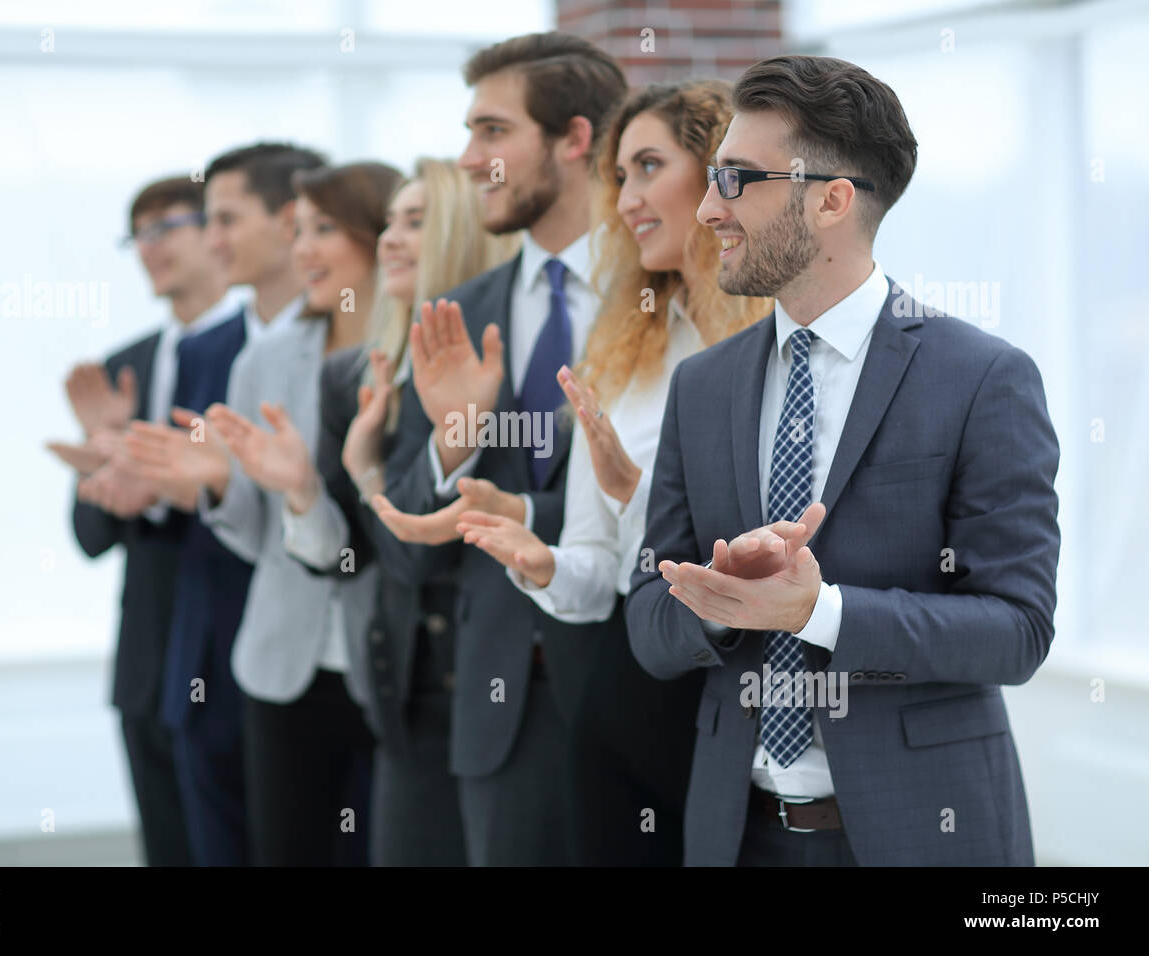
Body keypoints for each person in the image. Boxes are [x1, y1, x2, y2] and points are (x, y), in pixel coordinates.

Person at [625, 54, 1060, 866]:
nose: (711, 210)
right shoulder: (703, 386)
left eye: (736, 179)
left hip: (921, 834)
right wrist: (721, 601)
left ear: (831, 199)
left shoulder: (982, 378)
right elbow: (649, 622)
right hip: (733, 835)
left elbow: (1018, 631)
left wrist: (816, 611)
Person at [454, 81, 771, 865]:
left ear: (720, 172)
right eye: (619, 176)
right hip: (620, 704)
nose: (627, 199)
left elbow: (772, 548)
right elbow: (599, 576)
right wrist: (543, 564)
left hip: (729, 703)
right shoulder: (627, 351)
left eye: (650, 166)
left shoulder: (779, 345)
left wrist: (638, 498)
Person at [209, 159, 516, 865]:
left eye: (414, 223)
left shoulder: (499, 363)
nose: (392, 241)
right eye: (392, 224)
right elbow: (357, 547)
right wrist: (307, 486)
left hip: (450, 680)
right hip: (365, 672)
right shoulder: (351, 377)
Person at [369, 31, 627, 866]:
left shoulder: (665, 298)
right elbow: (406, 549)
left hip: (649, 696)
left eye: (492, 131)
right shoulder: (455, 313)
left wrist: (526, 514)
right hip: (497, 706)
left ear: (575, 139)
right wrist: (456, 443)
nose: (470, 157)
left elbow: (686, 506)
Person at [189, 161, 403, 865]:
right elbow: (255, 539)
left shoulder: (416, 353)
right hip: (286, 661)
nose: (303, 249)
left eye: (323, 229)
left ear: (379, 236)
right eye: (297, 231)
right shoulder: (268, 359)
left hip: (395, 658)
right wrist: (222, 485)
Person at [123, 142, 327, 866]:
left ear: (290, 220)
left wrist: (215, 487)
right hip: (215, 655)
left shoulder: (341, 345)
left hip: (314, 666)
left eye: (226, 220)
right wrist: (188, 489)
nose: (211, 241)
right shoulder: (227, 359)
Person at [48, 174, 241, 866]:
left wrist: (155, 478)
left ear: (217, 232)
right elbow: (93, 540)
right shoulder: (124, 365)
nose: (150, 248)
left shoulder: (256, 353)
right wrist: (99, 466)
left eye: (168, 227)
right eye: (140, 234)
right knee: (166, 845)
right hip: (147, 655)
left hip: (229, 652)